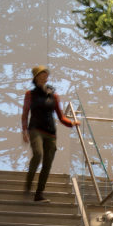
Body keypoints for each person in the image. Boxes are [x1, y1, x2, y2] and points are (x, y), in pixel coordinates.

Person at [21, 65, 78, 202]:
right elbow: (25, 113)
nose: (44, 76)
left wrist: (71, 123)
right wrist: (24, 131)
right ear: (36, 77)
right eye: (41, 74)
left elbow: (61, 116)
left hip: (51, 133)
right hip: (35, 130)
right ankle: (29, 181)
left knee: (47, 164)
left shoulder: (54, 95)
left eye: (46, 74)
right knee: (38, 154)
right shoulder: (30, 94)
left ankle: (39, 194)